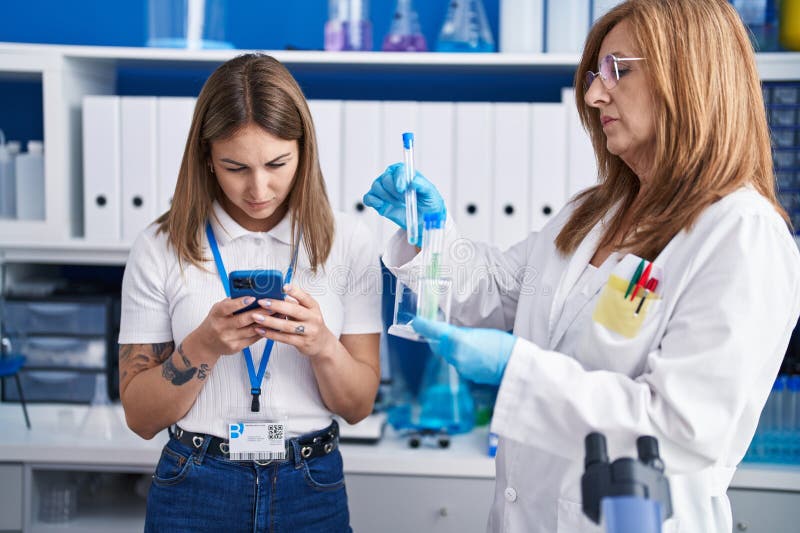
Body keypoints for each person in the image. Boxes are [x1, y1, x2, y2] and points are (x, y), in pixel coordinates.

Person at [364, 0, 800, 531]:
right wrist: (428, 235)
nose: (594, 95)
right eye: (595, 74)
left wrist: (517, 370)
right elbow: (497, 289)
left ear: (690, 75)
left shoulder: (741, 234)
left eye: (618, 69)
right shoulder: (593, 211)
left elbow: (682, 427)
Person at [119, 53, 381, 532]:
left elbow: (359, 407)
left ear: (304, 151)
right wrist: (203, 346)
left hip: (311, 486)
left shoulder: (350, 242)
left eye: (277, 163)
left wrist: (322, 346)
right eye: (235, 166)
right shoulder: (159, 247)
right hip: (196, 486)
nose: (259, 188)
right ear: (207, 158)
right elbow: (139, 417)